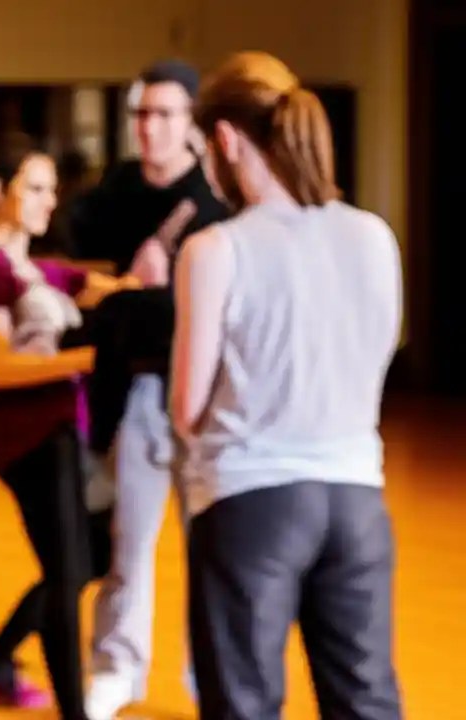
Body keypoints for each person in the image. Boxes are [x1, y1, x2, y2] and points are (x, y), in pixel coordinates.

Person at [173, 51, 403, 720]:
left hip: (250, 503)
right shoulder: (374, 236)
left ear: (225, 140)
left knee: (243, 705)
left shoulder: (217, 249)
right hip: (358, 503)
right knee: (366, 702)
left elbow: (187, 409)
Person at [69, 59, 229, 720]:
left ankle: (206, 677)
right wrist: (132, 289)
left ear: (190, 122)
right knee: (128, 542)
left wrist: (149, 293)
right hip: (131, 391)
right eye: (141, 113)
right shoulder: (114, 193)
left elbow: (218, 306)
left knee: (208, 546)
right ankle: (117, 667)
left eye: (164, 114)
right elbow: (82, 288)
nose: (149, 127)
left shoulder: (214, 200)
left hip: (203, 394)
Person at [0, 147, 140, 717]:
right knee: (66, 573)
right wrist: (89, 360)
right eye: (34, 188)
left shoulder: (42, 272)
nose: (49, 201)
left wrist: (153, 273)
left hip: (65, 434)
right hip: (31, 440)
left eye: (51, 189)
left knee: (90, 559)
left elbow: (114, 287)